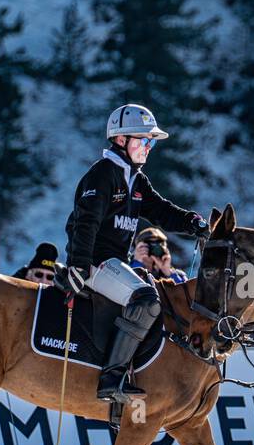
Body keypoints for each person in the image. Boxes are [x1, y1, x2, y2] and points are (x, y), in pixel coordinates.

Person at [55, 104, 209, 402]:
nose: (149, 147)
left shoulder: (135, 179)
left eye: (152, 141)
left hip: (116, 263)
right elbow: (84, 223)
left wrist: (193, 223)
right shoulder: (102, 175)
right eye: (144, 140)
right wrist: (78, 266)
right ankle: (112, 378)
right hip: (95, 264)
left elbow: (161, 210)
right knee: (146, 299)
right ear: (121, 140)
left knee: (156, 296)